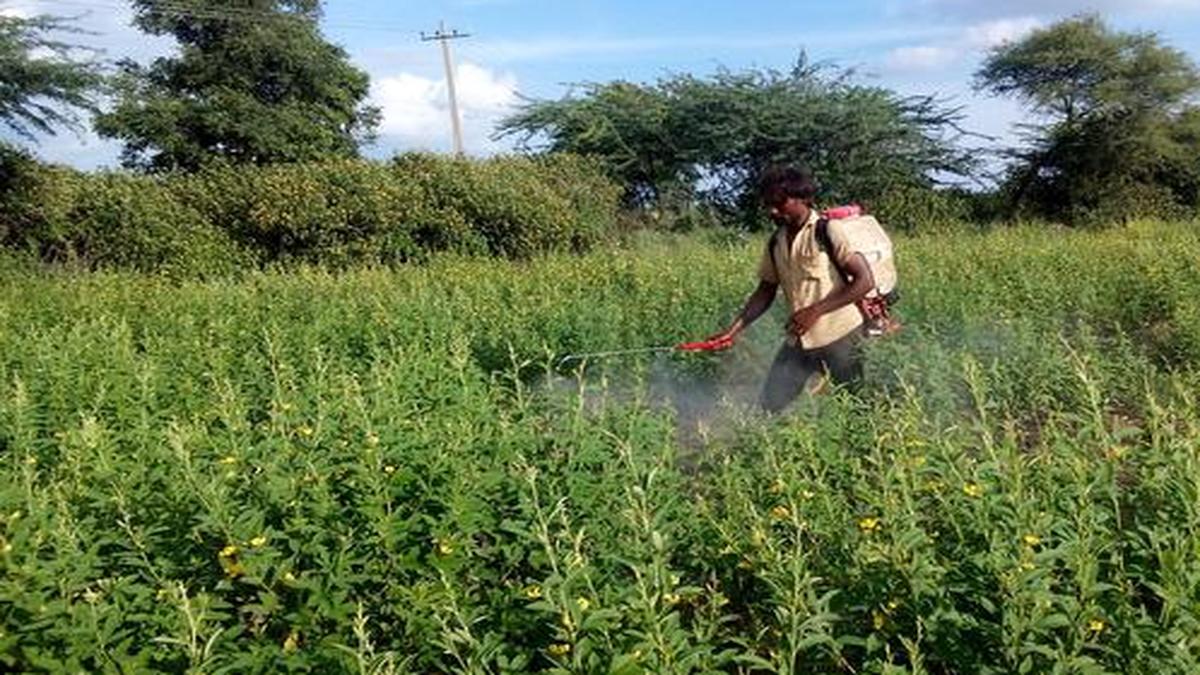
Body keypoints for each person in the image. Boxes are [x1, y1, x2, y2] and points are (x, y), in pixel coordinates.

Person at [709, 165, 876, 413]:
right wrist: (733, 330)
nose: (772, 211)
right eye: (768, 204)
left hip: (841, 337)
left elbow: (864, 281)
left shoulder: (827, 231)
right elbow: (766, 290)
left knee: (858, 411)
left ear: (803, 199)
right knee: (768, 407)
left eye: (779, 203)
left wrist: (815, 311)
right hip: (798, 339)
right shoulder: (776, 241)